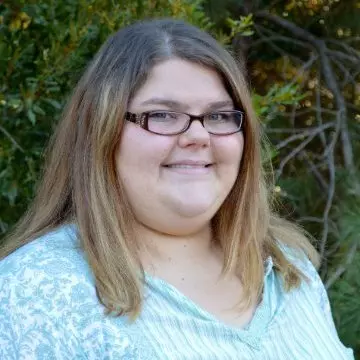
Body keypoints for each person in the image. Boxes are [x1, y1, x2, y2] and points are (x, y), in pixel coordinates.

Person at [0, 18, 354, 359]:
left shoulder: (288, 268)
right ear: (101, 132)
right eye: (163, 115)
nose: (198, 136)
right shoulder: (35, 291)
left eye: (218, 116)